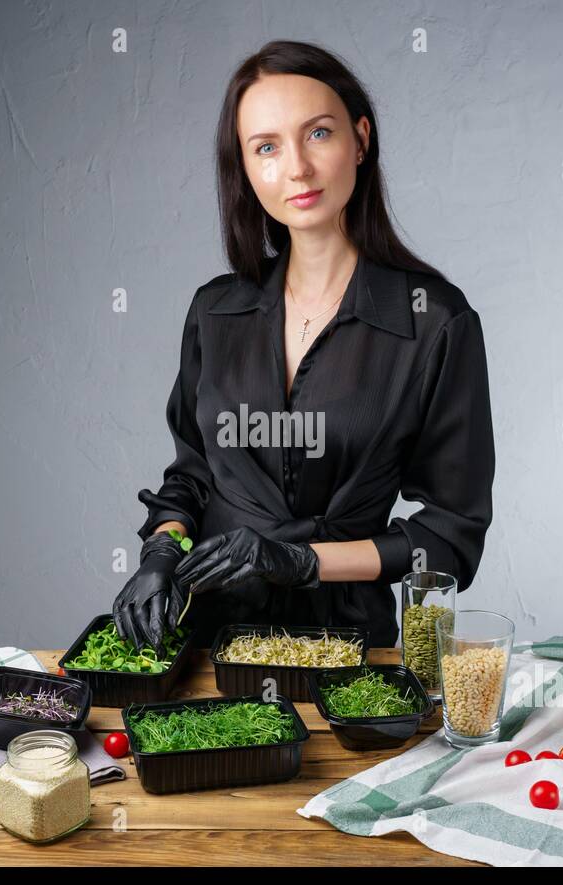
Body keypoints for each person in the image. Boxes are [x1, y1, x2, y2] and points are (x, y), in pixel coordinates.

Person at [112, 39, 494, 652]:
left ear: (361, 139)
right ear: (245, 168)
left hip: (347, 653)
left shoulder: (436, 322)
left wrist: (304, 561)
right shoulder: (214, 311)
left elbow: (450, 537)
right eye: (266, 147)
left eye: (317, 134)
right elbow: (192, 476)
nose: (297, 168)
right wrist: (162, 549)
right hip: (207, 639)